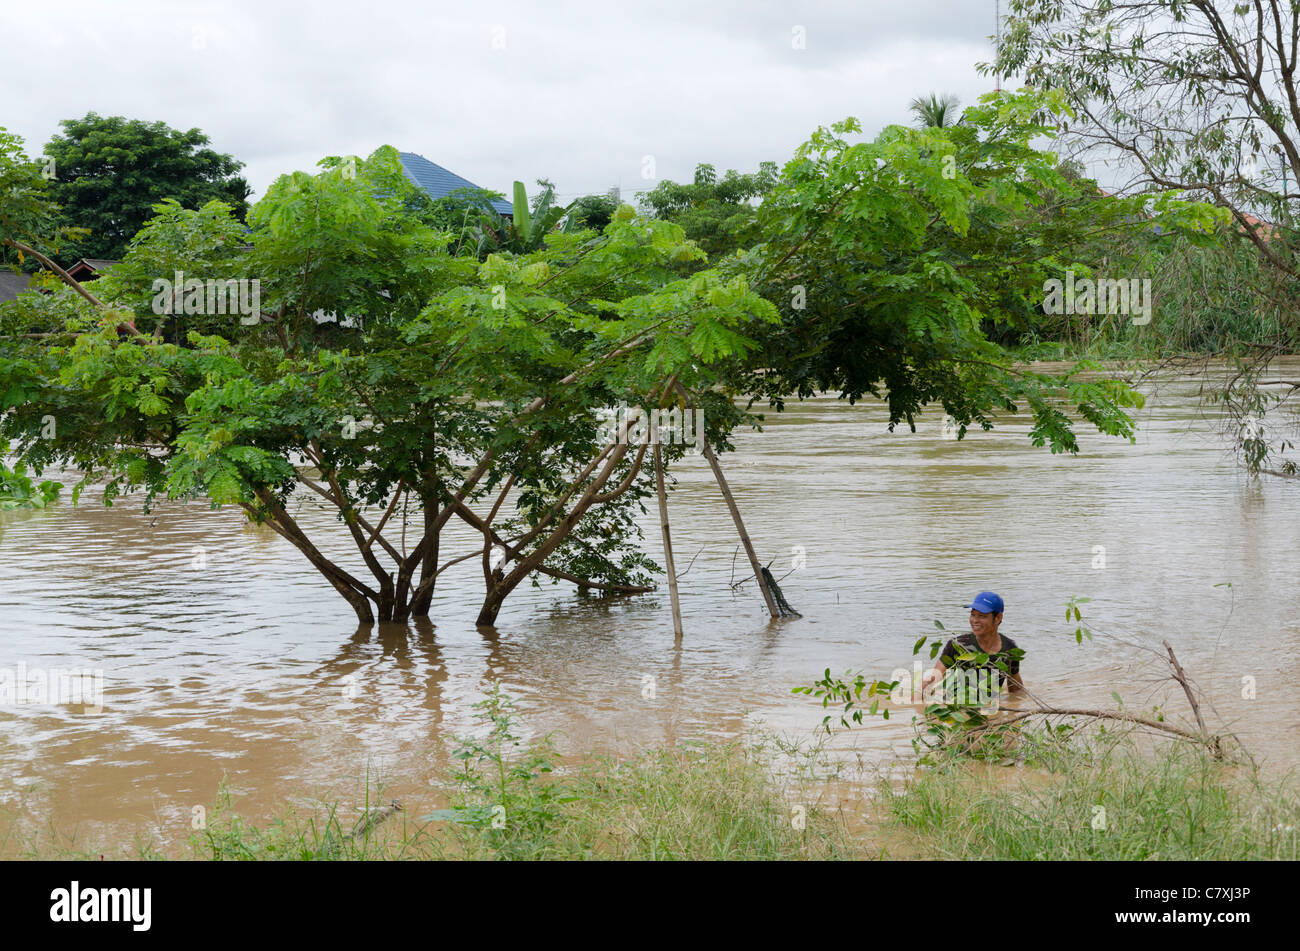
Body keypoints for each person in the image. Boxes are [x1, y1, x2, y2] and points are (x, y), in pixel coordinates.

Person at [919, 591, 1024, 704]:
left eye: (982, 616)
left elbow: (1016, 691)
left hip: (988, 708)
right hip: (956, 707)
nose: (975, 620)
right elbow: (933, 679)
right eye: (973, 614)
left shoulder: (1009, 649)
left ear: (998, 618)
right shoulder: (959, 645)